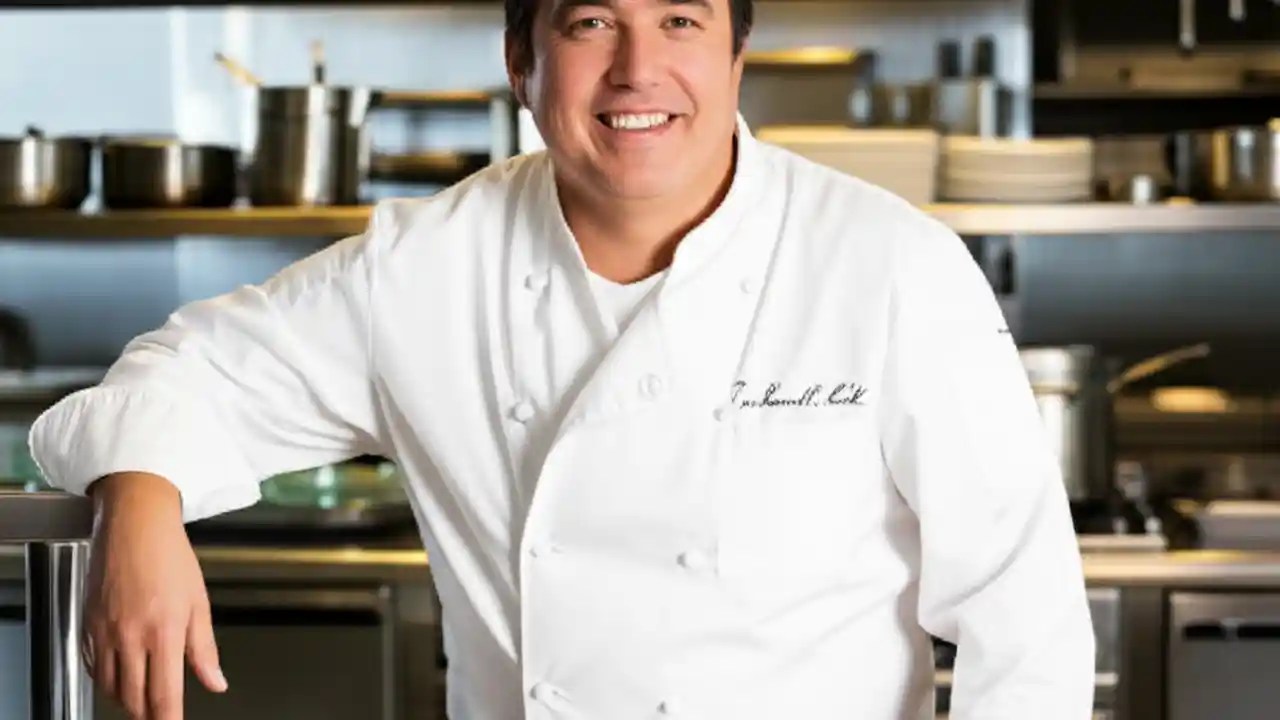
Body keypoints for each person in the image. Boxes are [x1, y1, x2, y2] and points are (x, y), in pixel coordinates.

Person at [30, 0, 1096, 717]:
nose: (639, 69)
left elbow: (1023, 622)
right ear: (519, 61)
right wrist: (140, 498)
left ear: (734, 56)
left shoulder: (888, 264)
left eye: (680, 18)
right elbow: (176, 376)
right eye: (591, 21)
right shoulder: (426, 265)